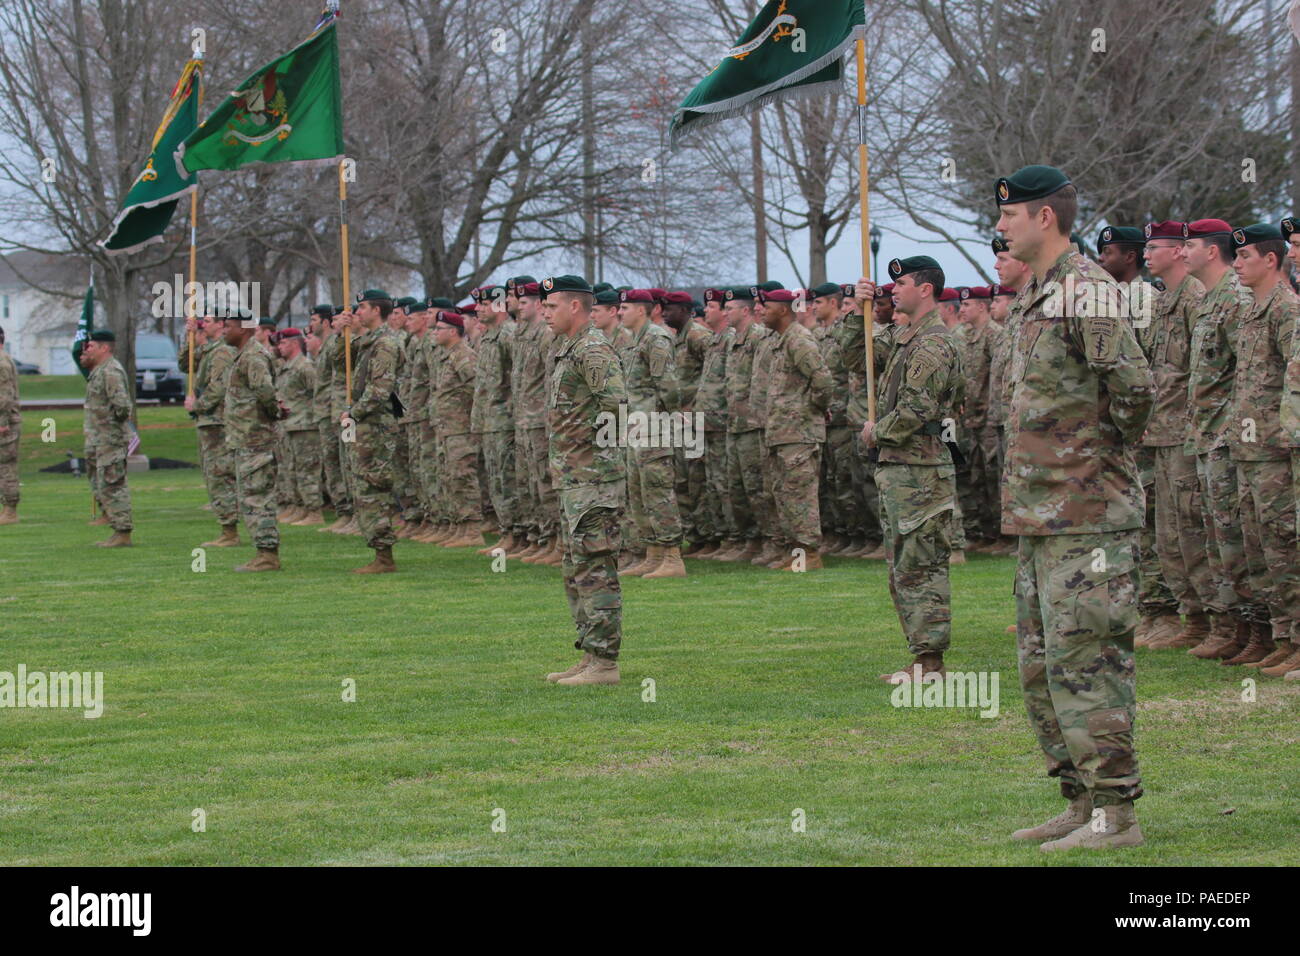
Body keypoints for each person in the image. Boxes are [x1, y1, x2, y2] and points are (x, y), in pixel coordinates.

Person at [996, 165, 1153, 851]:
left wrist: (1097, 462)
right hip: (1039, 516)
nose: (1001, 227)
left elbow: (1134, 386)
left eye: (1010, 216)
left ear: (1045, 219)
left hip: (1088, 515)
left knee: (1088, 662)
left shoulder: (1086, 290)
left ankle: (1116, 815)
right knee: (1044, 668)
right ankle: (1080, 800)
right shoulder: (1039, 294)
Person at [853, 259, 963, 678]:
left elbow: (918, 409)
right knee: (903, 566)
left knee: (921, 565)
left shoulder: (933, 345)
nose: (892, 290)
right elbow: (853, 355)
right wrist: (856, 310)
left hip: (920, 470)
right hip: (901, 469)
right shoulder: (905, 338)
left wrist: (875, 433)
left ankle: (931, 661)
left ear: (926, 289)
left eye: (900, 284)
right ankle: (921, 656)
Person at [540, 276, 629, 686]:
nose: (544, 311)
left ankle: (606, 664)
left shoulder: (593, 349)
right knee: (576, 568)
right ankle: (590, 653)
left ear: (575, 307)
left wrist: (592, 451)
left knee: (595, 568)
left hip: (593, 479)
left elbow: (616, 406)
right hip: (575, 478)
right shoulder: (569, 350)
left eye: (552, 305)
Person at [1181, 219, 1263, 659]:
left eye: (1189, 245)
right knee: (1217, 538)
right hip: (1205, 436)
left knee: (1237, 538)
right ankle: (1232, 627)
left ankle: (1260, 632)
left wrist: (1234, 433)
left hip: (1228, 439)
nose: (1181, 253)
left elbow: (1245, 374)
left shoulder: (1234, 298)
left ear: (1212, 251)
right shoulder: (1210, 300)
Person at [1227, 224, 1300, 669]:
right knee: (1260, 548)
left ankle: (1296, 639)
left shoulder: (1287, 310)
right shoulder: (1254, 310)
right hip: (1250, 451)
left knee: (1284, 544)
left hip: (1276, 450)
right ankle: (1282, 636)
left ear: (1270, 260)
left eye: (1244, 256)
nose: (1235, 264)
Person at [757, 286, 833, 570]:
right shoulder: (782, 340)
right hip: (783, 432)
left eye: (767, 307)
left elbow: (822, 380)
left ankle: (809, 555)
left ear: (783, 310)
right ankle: (797, 553)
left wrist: (811, 408)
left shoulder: (799, 339)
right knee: (785, 493)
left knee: (800, 494)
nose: (762, 312)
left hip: (799, 432)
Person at [617, 288, 685, 578]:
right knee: (639, 492)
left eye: (625, 308)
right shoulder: (634, 341)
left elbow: (667, 384)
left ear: (642, 310)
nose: (620, 313)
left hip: (653, 427)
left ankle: (672, 557)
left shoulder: (656, 338)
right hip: (635, 427)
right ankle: (653, 552)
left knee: (658, 491)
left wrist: (669, 416)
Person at [341, 290, 403, 573]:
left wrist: (353, 412)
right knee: (361, 485)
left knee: (373, 487)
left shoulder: (385, 343)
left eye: (362, 307)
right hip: (362, 424)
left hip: (374, 425)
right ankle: (378, 550)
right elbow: (335, 362)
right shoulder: (366, 341)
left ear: (376, 310)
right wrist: (344, 331)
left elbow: (380, 389)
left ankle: (383, 555)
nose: (357, 311)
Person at [222, 315, 284, 571]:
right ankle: (262, 551)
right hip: (245, 437)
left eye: (229, 326)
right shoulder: (243, 354)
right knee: (250, 496)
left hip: (255, 437)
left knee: (258, 496)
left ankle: (268, 554)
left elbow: (266, 391)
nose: (224, 330)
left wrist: (273, 413)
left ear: (244, 329)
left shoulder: (253, 356)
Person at [183, 314, 240, 545]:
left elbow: (218, 386)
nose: (202, 325)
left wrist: (198, 405)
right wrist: (188, 338)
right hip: (208, 420)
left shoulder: (222, 351)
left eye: (207, 321)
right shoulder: (208, 350)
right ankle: (226, 526)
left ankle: (230, 530)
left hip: (217, 420)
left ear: (219, 325)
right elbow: (185, 364)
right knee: (212, 473)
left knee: (219, 474)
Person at [430, 311, 485, 547]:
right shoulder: (447, 356)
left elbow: (477, 389)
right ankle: (458, 526)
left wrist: (469, 420)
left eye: (438, 328)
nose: (434, 333)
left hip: (461, 428)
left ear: (453, 331)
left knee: (463, 477)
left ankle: (472, 530)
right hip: (447, 428)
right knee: (450, 477)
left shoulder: (463, 356)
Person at [81, 329, 134, 547]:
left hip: (110, 438)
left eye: (91, 346)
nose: (87, 349)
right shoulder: (99, 370)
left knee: (114, 484)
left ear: (104, 348)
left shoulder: (111, 371)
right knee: (104, 484)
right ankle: (116, 528)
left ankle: (123, 532)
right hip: (100, 439)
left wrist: (110, 427)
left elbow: (122, 406)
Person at [276, 327, 324, 525]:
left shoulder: (305, 367)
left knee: (307, 470)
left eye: (283, 343)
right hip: (290, 425)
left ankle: (314, 510)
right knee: (292, 469)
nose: (279, 347)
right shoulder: (286, 367)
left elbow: (318, 394)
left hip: (305, 425)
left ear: (295, 344)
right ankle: (299, 506)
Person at [0, 326, 22, 525]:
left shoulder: (1, 363)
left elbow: (4, 396)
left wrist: (2, 422)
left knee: (6, 466)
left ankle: (10, 510)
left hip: (4, 424)